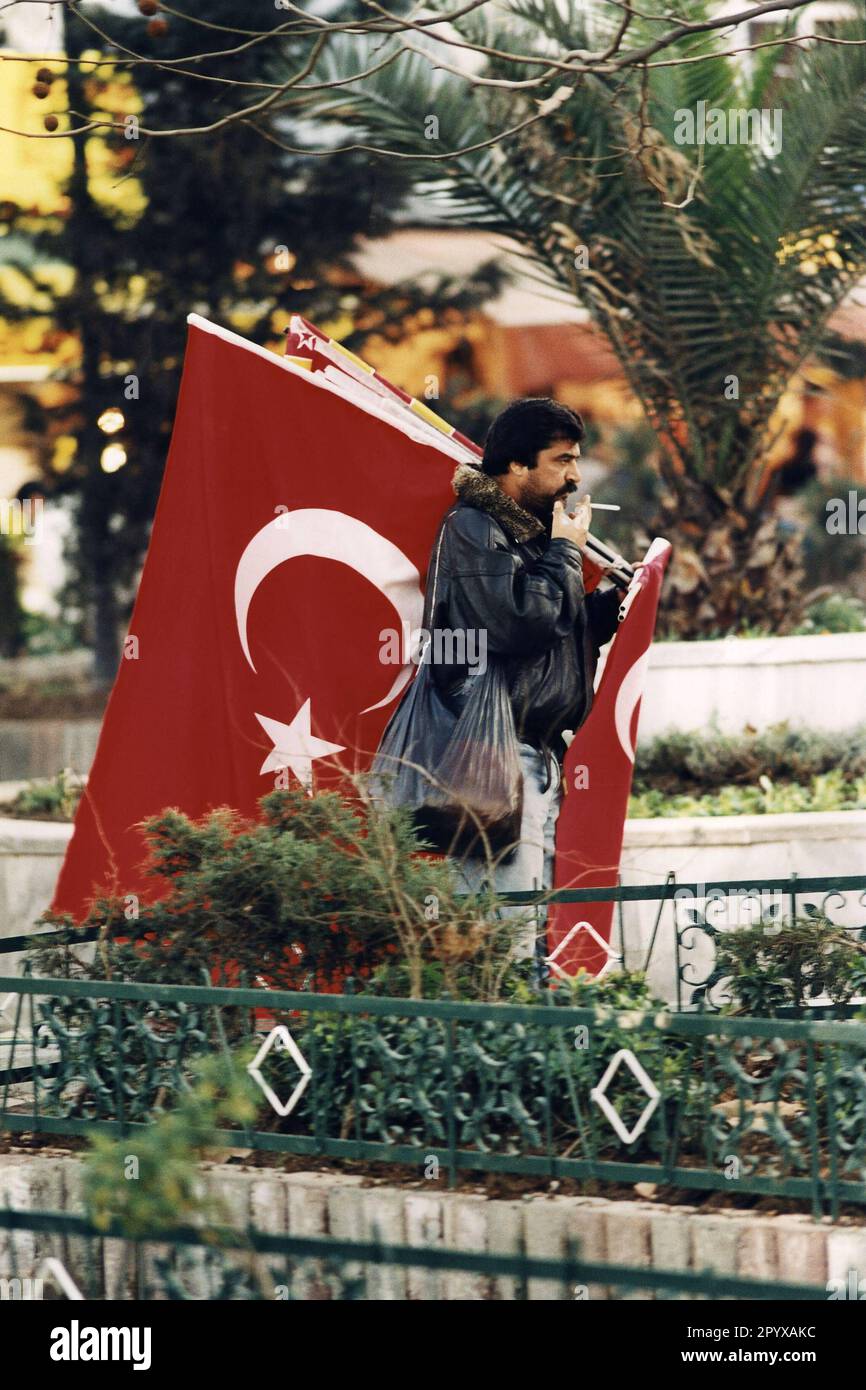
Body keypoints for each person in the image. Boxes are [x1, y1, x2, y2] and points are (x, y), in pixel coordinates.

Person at [420, 397, 627, 956]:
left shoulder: (529, 532)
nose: (575, 476)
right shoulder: (474, 527)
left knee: (534, 937)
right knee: (500, 945)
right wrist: (564, 550)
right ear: (515, 465)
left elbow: (549, 630)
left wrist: (610, 608)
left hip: (535, 756)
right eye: (561, 460)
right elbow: (518, 624)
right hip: (495, 758)